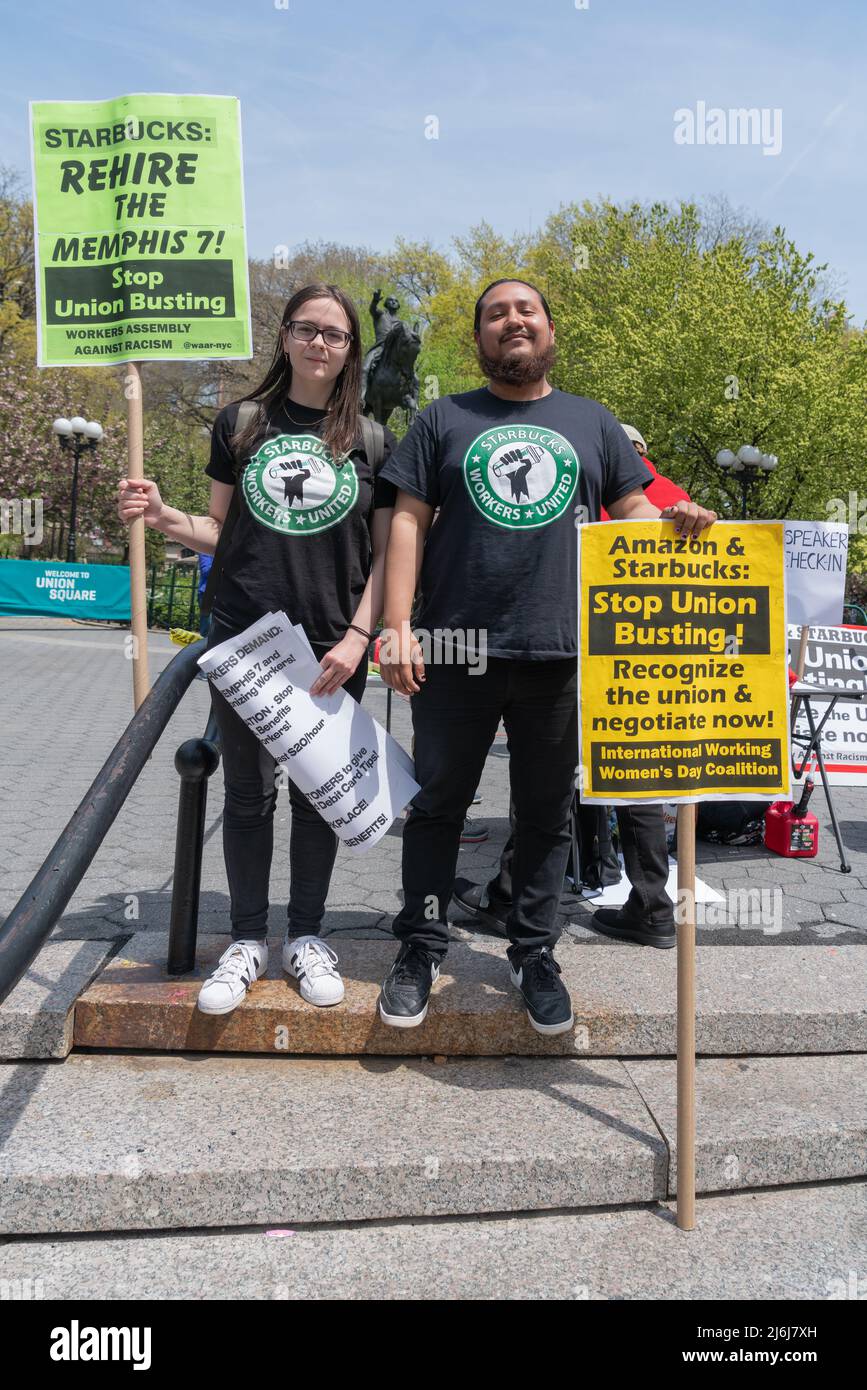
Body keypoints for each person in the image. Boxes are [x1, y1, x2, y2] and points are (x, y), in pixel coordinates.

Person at [376, 280, 716, 1034]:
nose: (511, 321)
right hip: (453, 647)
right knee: (436, 809)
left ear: (549, 330)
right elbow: (406, 521)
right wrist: (395, 624)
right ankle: (422, 944)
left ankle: (533, 951)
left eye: (524, 310)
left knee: (544, 814)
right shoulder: (442, 418)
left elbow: (628, 510)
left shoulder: (591, 422)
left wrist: (676, 518)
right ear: (479, 340)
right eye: (495, 314)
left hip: (561, 649)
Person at [117, 283, 397, 1015]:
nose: (318, 344)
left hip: (334, 647)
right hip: (247, 642)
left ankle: (305, 936)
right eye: (306, 329)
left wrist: (361, 636)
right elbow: (220, 531)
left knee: (318, 796)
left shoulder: (370, 441)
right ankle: (246, 940)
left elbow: (387, 558)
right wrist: (164, 516)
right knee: (246, 794)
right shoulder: (240, 423)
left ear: (348, 352)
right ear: (284, 337)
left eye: (333, 335)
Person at [454, 423, 696, 947]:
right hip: (649, 666)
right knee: (639, 783)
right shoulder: (673, 498)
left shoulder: (581, 484)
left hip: (573, 656)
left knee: (548, 777)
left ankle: (508, 896)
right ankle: (653, 906)